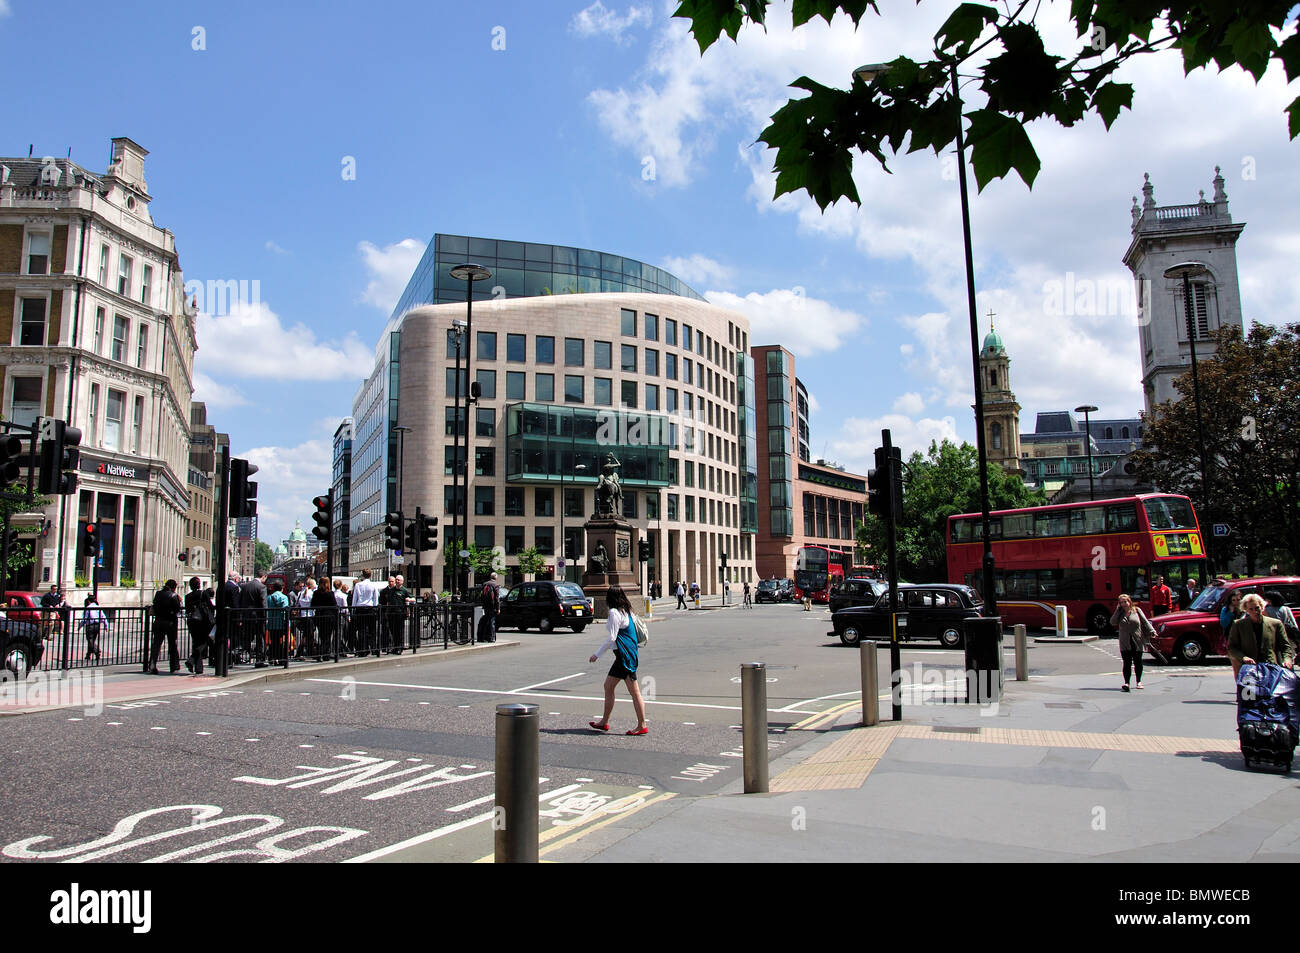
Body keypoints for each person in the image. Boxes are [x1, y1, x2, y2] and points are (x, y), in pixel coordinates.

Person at [587, 585, 648, 735]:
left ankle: (642, 725)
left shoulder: (615, 612)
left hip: (624, 656)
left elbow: (612, 638)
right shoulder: (627, 611)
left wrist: (597, 654)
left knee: (634, 691)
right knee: (608, 686)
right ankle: (604, 722)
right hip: (625, 654)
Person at [1228, 593, 1296, 679]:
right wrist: (1243, 657)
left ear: (1261, 606)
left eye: (1257, 608)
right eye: (1251, 609)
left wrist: (1287, 659)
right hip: (1249, 670)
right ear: (1246, 610)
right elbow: (1232, 647)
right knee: (1250, 692)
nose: (1255, 611)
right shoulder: (1238, 625)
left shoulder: (1275, 624)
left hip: (1270, 668)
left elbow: (1285, 647)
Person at [1110, 594, 1155, 692]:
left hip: (1137, 640)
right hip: (1125, 642)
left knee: (1138, 662)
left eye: (1125, 601)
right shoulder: (1120, 613)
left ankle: (1139, 682)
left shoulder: (1137, 611)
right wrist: (1117, 610)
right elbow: (1112, 622)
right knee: (1127, 663)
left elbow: (1145, 621)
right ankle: (1127, 683)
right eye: (1121, 602)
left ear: (1129, 601)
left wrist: (1152, 631)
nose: (1124, 604)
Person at [148, 579, 183, 675]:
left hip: (158, 620)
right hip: (170, 622)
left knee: (156, 644)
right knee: (172, 644)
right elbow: (177, 609)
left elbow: (155, 605)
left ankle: (152, 664)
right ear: (174, 587)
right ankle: (174, 665)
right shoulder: (173, 595)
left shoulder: (158, 594)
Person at [184, 576, 215, 674]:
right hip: (203, 622)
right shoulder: (203, 593)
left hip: (192, 622)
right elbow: (210, 606)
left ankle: (199, 668)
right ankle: (192, 660)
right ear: (199, 584)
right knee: (204, 643)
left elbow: (188, 610)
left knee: (196, 643)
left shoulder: (187, 596)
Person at [351, 569, 380, 655]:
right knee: (372, 630)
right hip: (370, 609)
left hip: (360, 609)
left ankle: (362, 649)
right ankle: (373, 648)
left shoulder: (358, 585)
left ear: (362, 575)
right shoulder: (373, 585)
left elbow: (354, 598)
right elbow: (375, 599)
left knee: (361, 630)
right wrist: (375, 608)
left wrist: (353, 609)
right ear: (370, 575)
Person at [312, 576, 338, 659]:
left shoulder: (316, 593)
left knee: (322, 636)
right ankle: (322, 653)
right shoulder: (330, 593)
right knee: (327, 637)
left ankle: (324, 654)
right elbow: (334, 605)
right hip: (329, 617)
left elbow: (312, 605)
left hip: (319, 616)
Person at [265, 581, 291, 663]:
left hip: (272, 623)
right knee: (281, 642)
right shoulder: (284, 598)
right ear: (282, 588)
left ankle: (272, 658)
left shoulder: (269, 598)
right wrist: (287, 623)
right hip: (281, 623)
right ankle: (281, 659)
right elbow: (285, 611)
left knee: (273, 641)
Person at [79, 594, 107, 662]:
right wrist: (106, 625)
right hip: (97, 625)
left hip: (90, 625)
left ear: (88, 600)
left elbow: (85, 618)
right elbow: (103, 616)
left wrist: (80, 625)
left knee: (90, 640)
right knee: (92, 640)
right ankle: (88, 655)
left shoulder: (88, 608)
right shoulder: (98, 607)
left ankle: (97, 651)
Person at [478, 573, 500, 643]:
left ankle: (483, 637)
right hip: (492, 606)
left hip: (485, 605)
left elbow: (481, 595)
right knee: (492, 621)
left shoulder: (485, 584)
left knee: (485, 620)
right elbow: (496, 598)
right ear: (495, 578)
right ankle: (491, 638)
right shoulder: (495, 585)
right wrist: (498, 608)